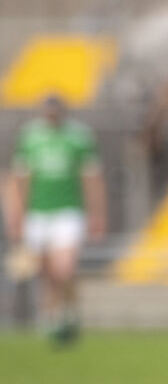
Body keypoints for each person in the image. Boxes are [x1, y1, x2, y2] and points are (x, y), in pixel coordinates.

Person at [3, 94, 106, 346]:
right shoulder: (30, 137)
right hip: (38, 212)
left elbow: (91, 179)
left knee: (65, 268)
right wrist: (17, 215)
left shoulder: (78, 138)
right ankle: (51, 318)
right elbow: (20, 180)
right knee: (45, 272)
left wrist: (97, 213)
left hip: (68, 211)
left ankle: (69, 312)